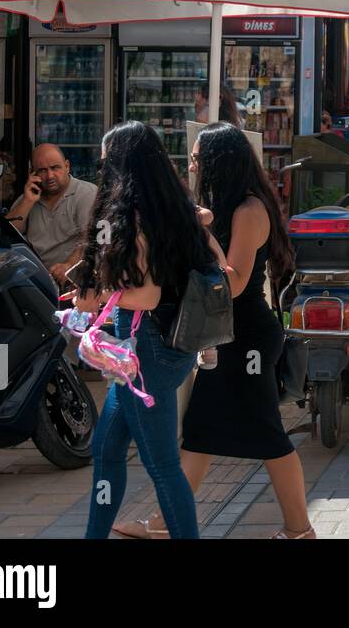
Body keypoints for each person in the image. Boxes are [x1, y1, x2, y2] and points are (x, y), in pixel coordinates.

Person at [113, 123, 313, 540]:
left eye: (197, 158)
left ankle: (300, 530)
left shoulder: (248, 210)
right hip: (227, 336)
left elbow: (235, 283)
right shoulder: (222, 205)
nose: (190, 164)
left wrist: (201, 238)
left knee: (267, 434)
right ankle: (166, 522)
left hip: (249, 338)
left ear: (219, 162)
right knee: (201, 430)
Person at [78, 121, 222, 540]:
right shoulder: (175, 208)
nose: (103, 173)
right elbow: (216, 256)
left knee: (162, 465)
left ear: (123, 167)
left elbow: (146, 296)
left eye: (107, 165)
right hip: (160, 350)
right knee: (106, 451)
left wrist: (98, 298)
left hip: (146, 354)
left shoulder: (137, 218)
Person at [5, 143, 98, 287]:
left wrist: (68, 265)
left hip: (74, 283)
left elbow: (92, 238)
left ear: (67, 166)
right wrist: (28, 201)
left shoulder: (86, 193)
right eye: (42, 170)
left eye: (55, 168)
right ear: (33, 173)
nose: (50, 176)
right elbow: (6, 235)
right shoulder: (28, 199)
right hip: (34, 282)